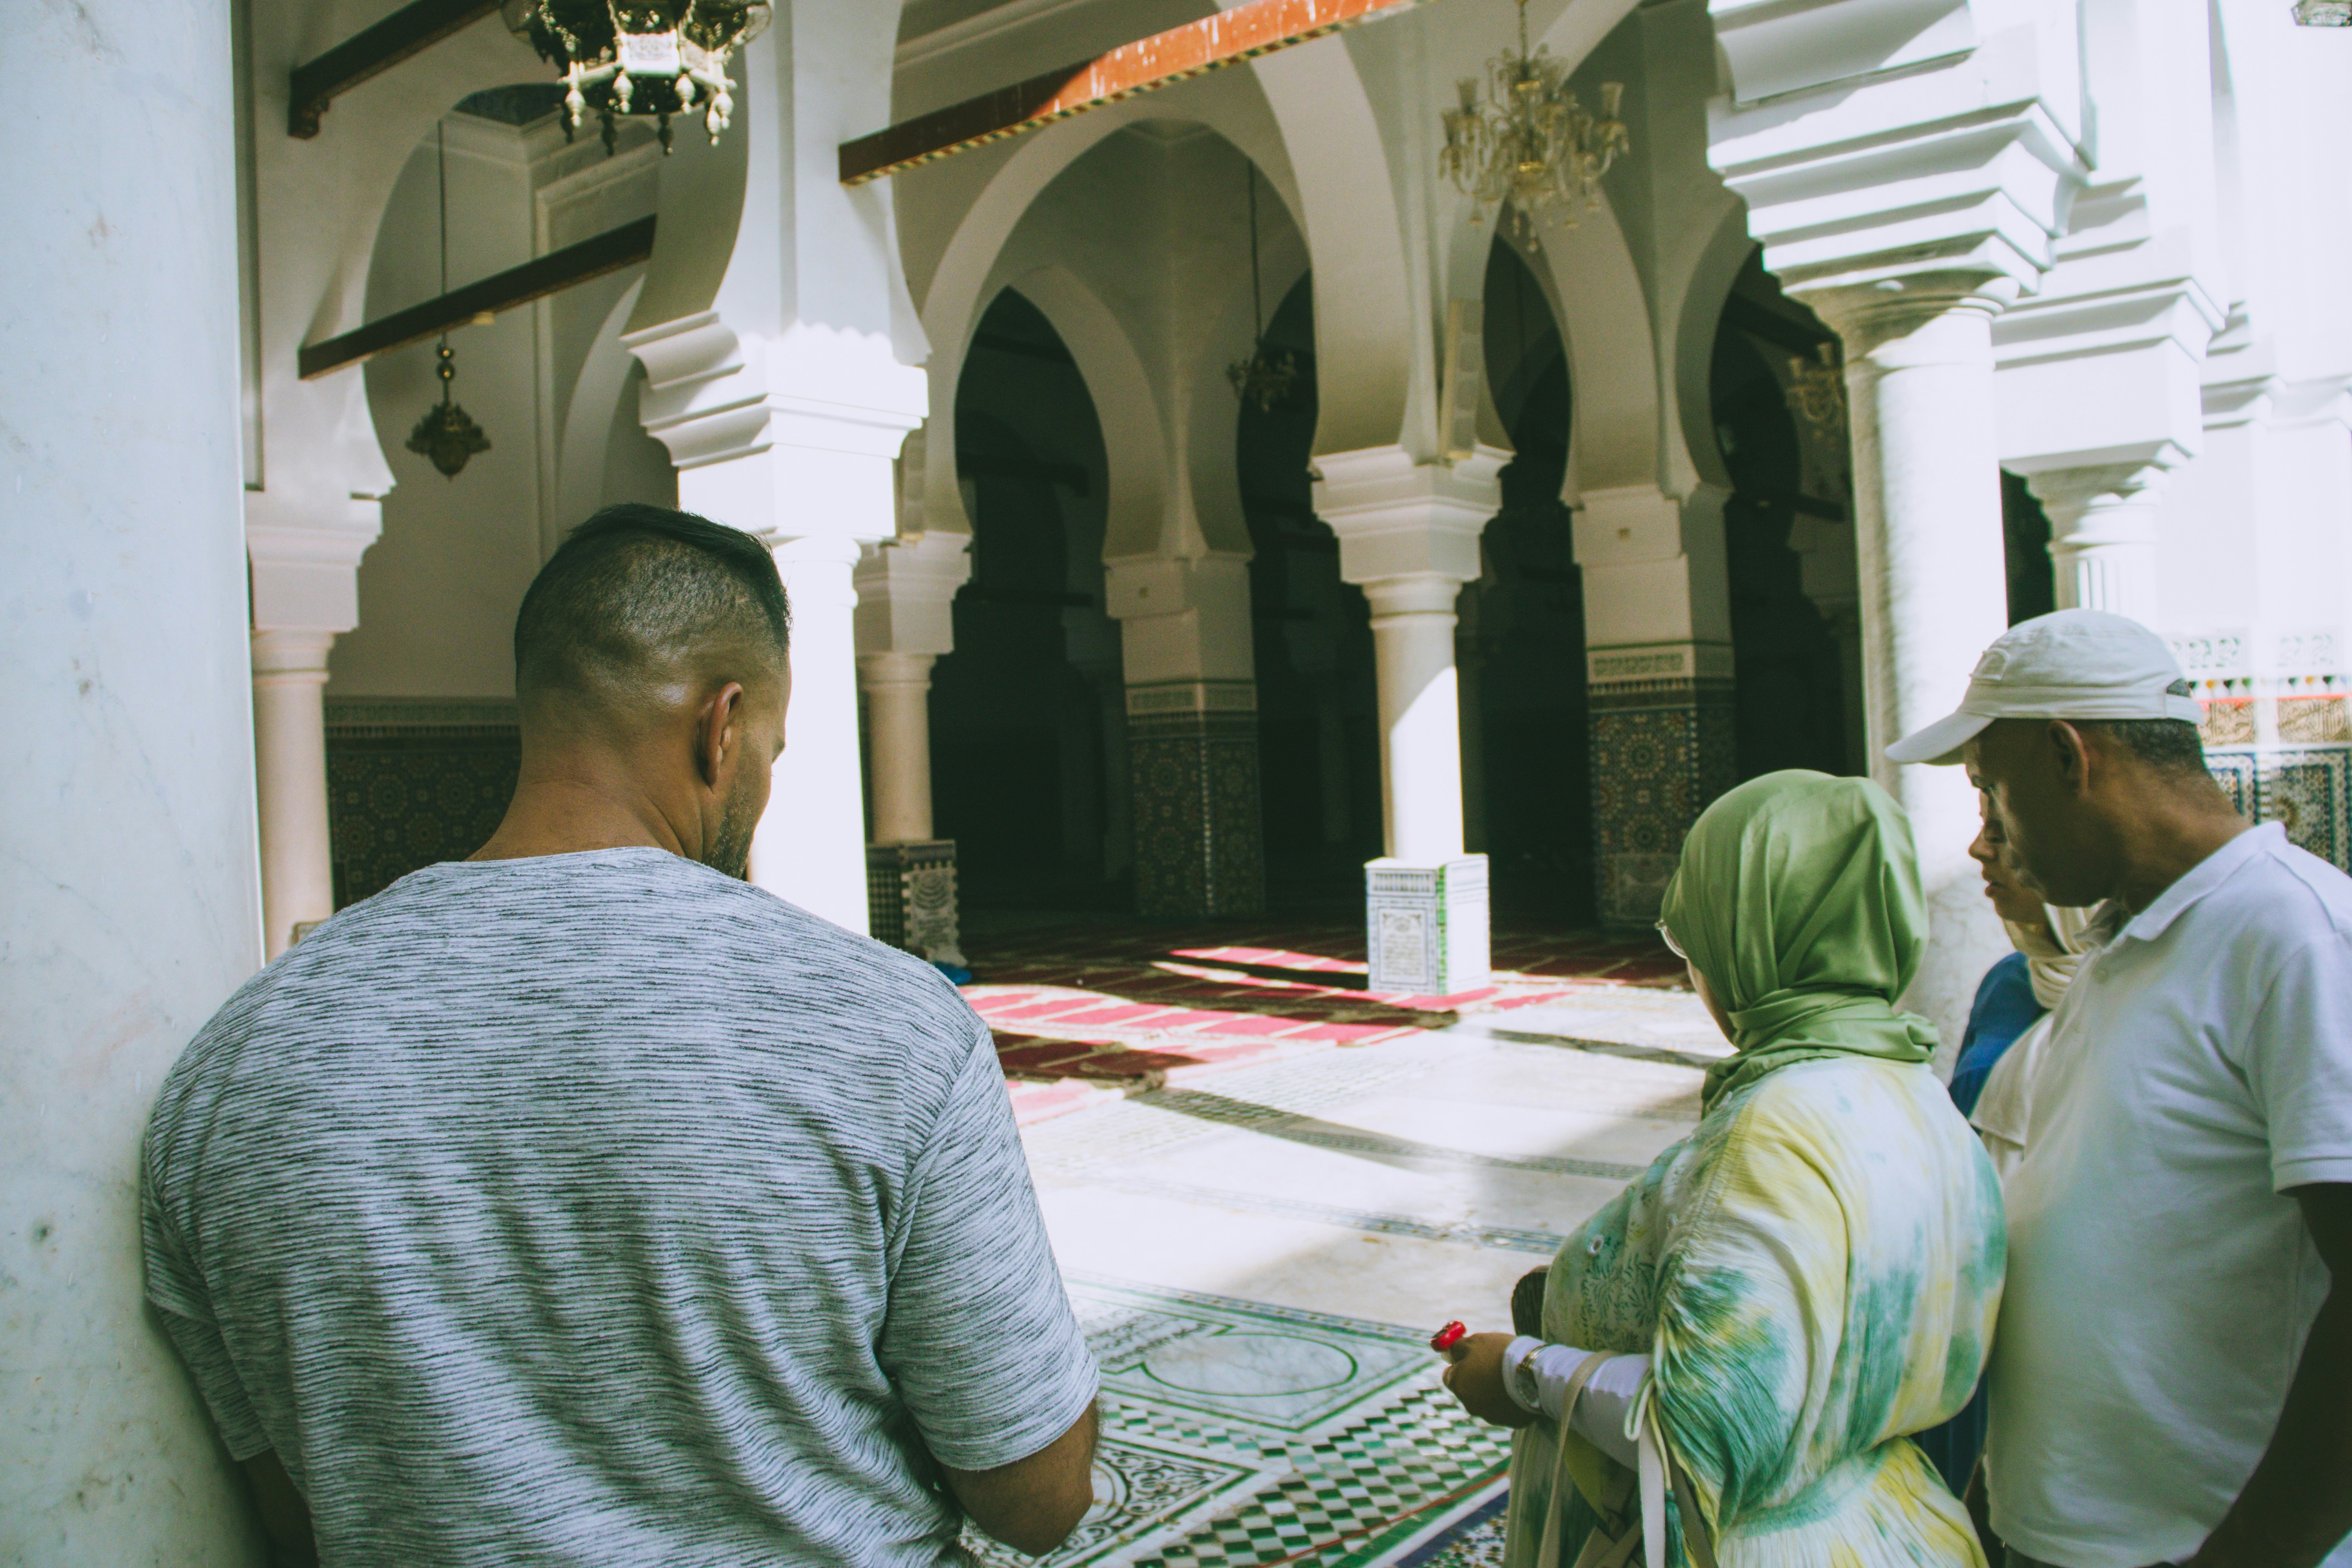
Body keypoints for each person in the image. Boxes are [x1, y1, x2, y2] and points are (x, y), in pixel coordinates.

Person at [140, 505, 1100, 1566]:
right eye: (772, 752)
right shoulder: (896, 1032)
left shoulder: (231, 1069)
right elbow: (1037, 1498)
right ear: (722, 727)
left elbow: (291, 1507)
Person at [1442, 770, 2005, 1568]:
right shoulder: (1917, 1094)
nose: (1692, 968)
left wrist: (1526, 1371)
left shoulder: (1772, 1133)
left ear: (1755, 934)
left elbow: (1708, 1433)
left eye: (1695, 935)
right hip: (1893, 1521)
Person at [1886, 607, 2352, 1568]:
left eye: (1991, 790)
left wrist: (2255, 1551)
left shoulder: (2295, 934)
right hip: (2061, 1535)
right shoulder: (2123, 943)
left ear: (2067, 755)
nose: (1989, 833)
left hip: (2198, 1544)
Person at [1914, 827, 2096, 1512]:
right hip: (1974, 1314)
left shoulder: (2129, 1007)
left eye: (2000, 825)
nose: (1977, 850)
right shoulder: (2008, 984)